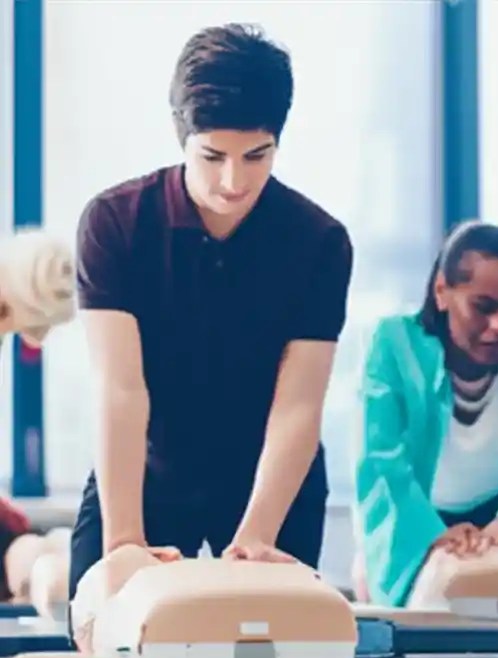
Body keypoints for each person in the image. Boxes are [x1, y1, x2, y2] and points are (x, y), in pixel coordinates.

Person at [70, 24, 353, 605]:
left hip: (268, 480)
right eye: (212, 156)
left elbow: (299, 402)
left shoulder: (318, 241)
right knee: (100, 622)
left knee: (273, 649)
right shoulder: (115, 223)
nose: (234, 181)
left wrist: (257, 536)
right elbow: (119, 389)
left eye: (257, 156)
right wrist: (125, 539)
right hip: (146, 469)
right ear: (182, 136)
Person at [355, 220, 498, 608]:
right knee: (423, 596)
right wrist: (430, 534)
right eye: (483, 307)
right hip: (420, 517)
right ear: (441, 292)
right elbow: (379, 458)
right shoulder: (393, 343)